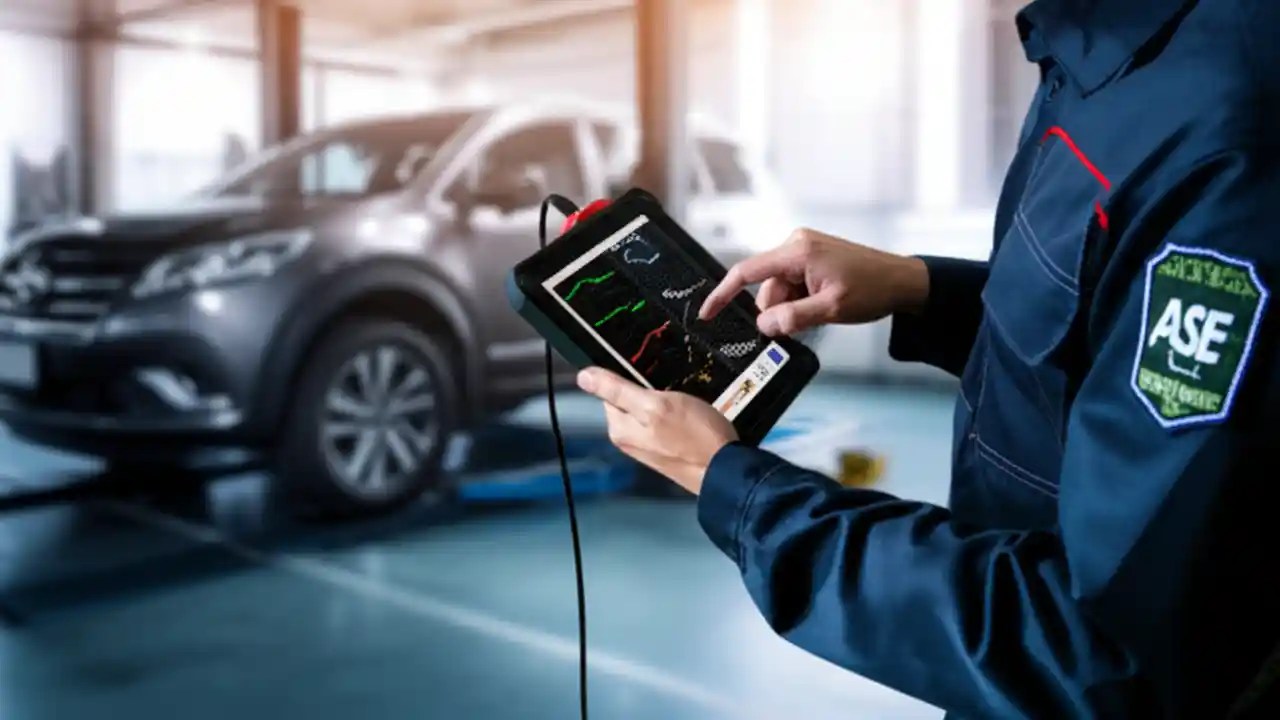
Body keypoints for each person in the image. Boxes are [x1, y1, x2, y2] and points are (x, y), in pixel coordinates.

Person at [576, 0, 1280, 717]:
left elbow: (1104, 653)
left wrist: (741, 492)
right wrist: (920, 290)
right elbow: (1106, 335)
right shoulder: (1089, 51)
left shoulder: (1227, 131)